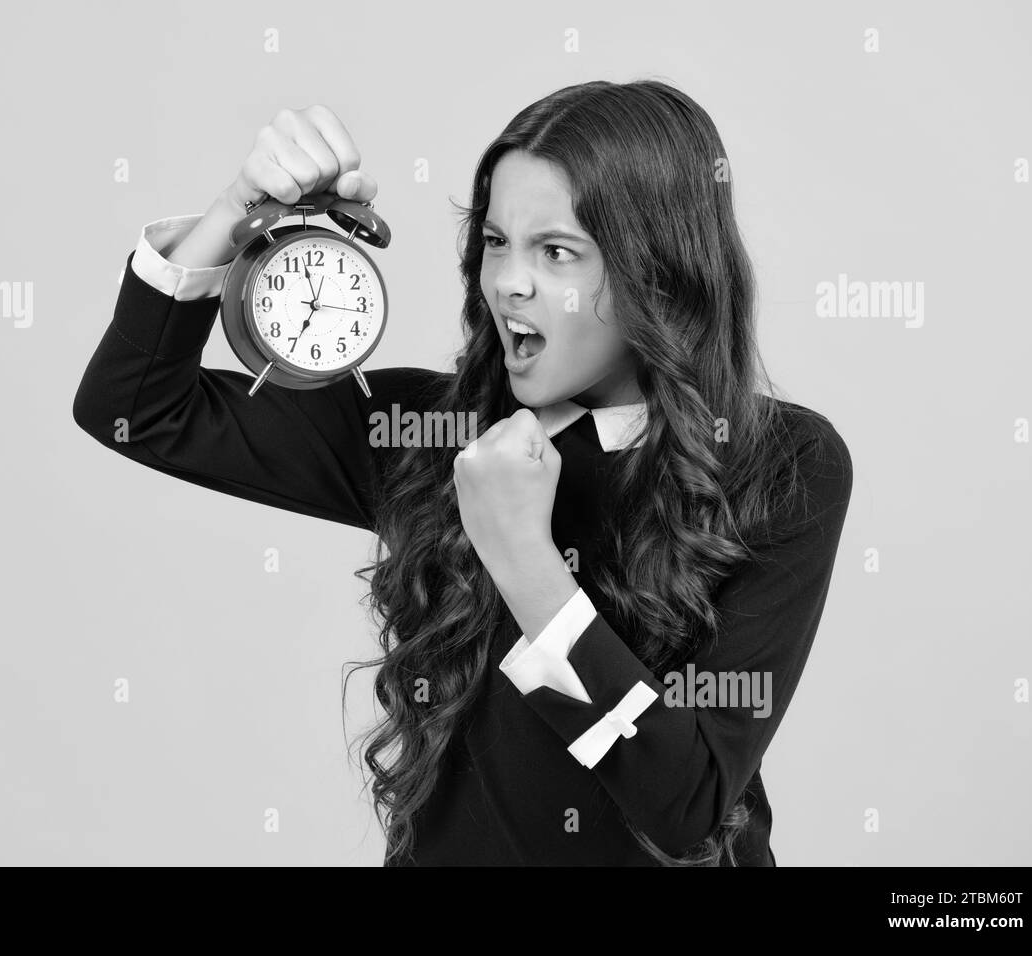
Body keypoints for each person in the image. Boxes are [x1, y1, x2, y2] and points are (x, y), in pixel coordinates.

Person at [72, 79, 854, 866]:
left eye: (556, 251)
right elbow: (135, 407)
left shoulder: (784, 463)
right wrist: (238, 210)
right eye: (495, 241)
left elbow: (685, 805)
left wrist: (525, 561)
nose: (509, 281)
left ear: (658, 271)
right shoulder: (427, 431)